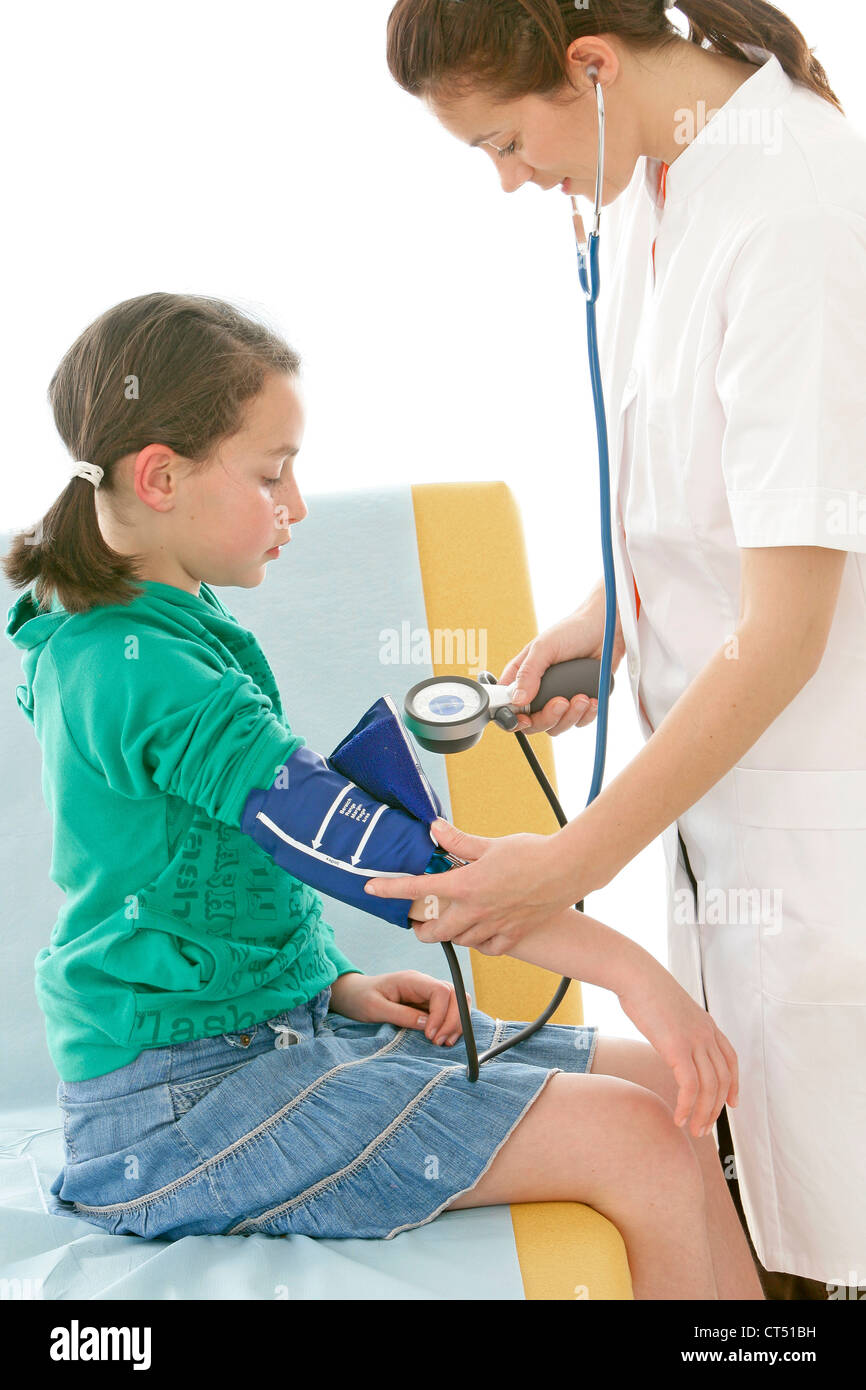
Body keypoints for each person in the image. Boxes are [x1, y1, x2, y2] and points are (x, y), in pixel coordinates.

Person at [2, 291, 761, 1299]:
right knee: (639, 1133)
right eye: (273, 474)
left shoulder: (158, 612)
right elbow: (374, 858)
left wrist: (326, 987)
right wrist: (631, 970)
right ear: (158, 475)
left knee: (673, 1092)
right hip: (181, 1108)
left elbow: (222, 866)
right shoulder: (134, 669)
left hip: (267, 1035)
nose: (298, 505)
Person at [371, 0, 866, 1298]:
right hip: (740, 850)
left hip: (826, 826)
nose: (506, 179)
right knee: (773, 1211)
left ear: (589, 67)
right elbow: (703, 502)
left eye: (501, 139)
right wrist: (598, 626)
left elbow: (783, 628)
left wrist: (567, 867)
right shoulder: (662, 178)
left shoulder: (794, 206)